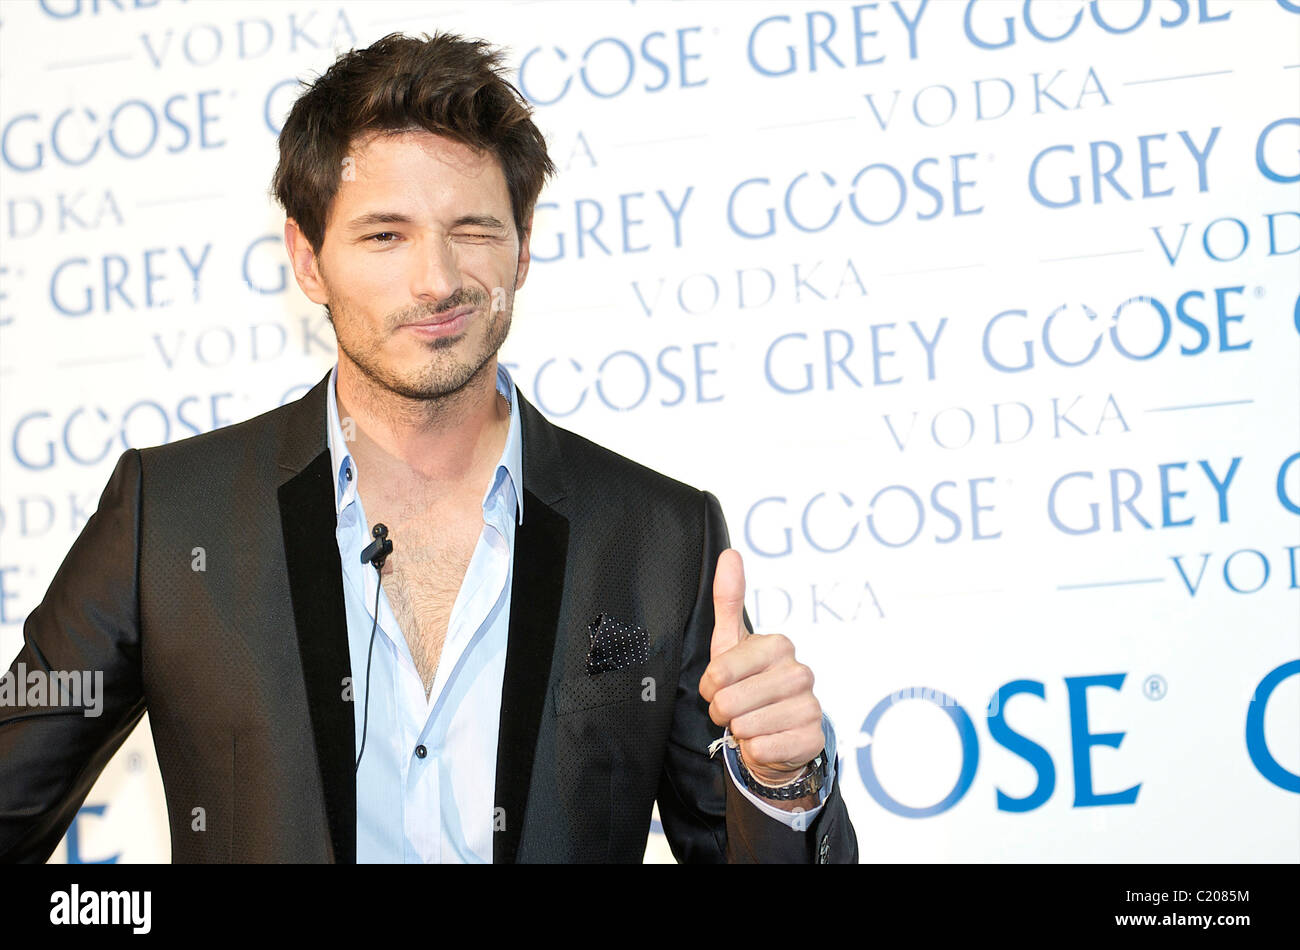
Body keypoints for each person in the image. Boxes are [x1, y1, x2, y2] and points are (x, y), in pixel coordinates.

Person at [0, 31, 857, 864]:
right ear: (307, 258)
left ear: (522, 248)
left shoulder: (660, 535)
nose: (438, 280)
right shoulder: (167, 517)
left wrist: (781, 785)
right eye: (385, 235)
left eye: (475, 229)